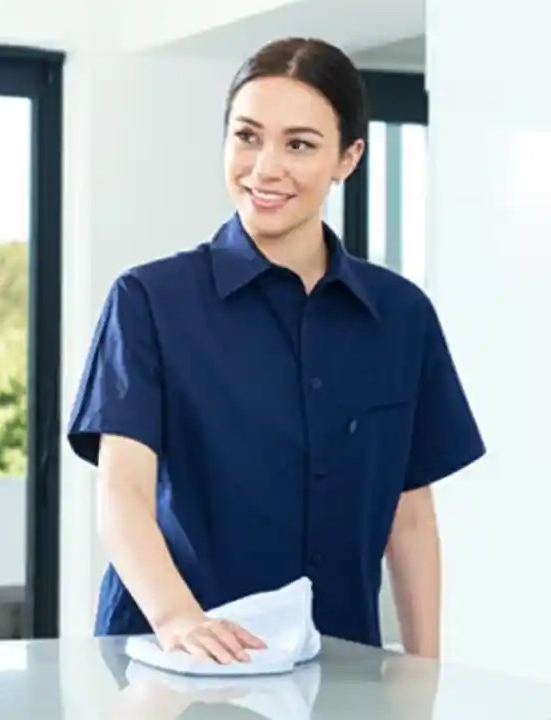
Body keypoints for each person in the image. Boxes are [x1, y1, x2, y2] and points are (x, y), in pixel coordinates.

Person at [66, 37, 485, 665]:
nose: (265, 167)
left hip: (339, 669)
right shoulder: (150, 300)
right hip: (173, 665)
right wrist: (181, 621)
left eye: (299, 144)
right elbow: (123, 492)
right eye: (247, 136)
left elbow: (410, 514)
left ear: (349, 157)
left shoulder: (401, 317)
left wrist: (425, 672)